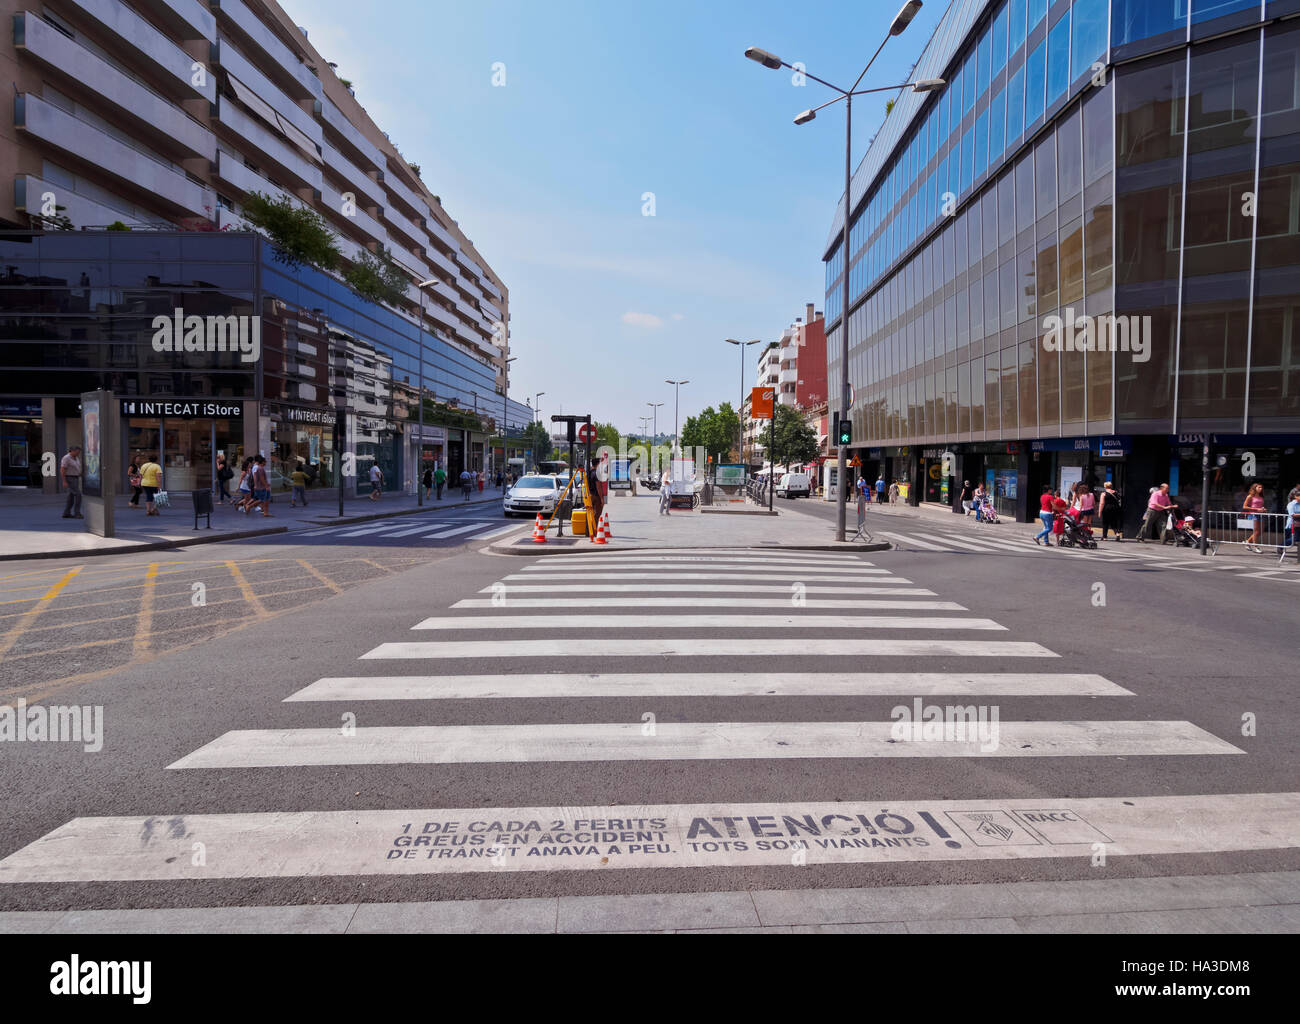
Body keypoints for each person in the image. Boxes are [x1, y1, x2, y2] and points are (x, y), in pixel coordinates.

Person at [59, 445, 84, 519]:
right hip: (70, 478)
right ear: (72, 451)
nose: (78, 453)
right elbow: (62, 469)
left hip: (75, 478)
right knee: (78, 494)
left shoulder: (76, 458)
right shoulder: (66, 458)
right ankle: (77, 513)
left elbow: (77, 468)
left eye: (79, 452)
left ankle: (66, 513)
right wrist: (64, 481)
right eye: (77, 452)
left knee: (71, 496)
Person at [1242, 482, 1266, 552]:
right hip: (1253, 514)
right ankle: (1256, 547)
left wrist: (1263, 509)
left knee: (1260, 531)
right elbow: (1244, 506)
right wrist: (1256, 509)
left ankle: (1248, 541)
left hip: (1261, 514)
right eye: (1259, 487)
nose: (1260, 489)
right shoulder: (1250, 496)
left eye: (1261, 487)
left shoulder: (1261, 496)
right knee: (1256, 531)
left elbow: (1260, 505)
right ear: (1254, 488)